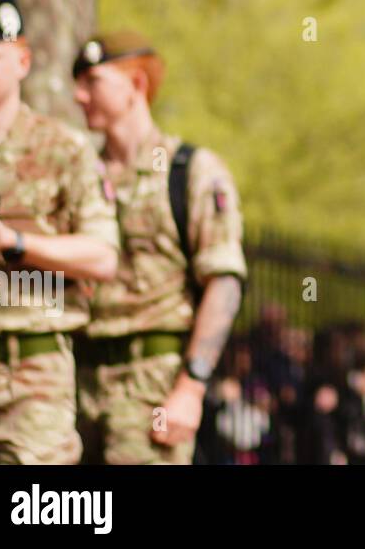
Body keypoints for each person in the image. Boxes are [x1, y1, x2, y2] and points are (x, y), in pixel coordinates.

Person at [0, 0, 120, 464]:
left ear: (22, 63)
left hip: (31, 381)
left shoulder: (63, 150)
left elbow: (102, 257)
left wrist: (12, 242)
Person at [71, 31, 247, 464]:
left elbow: (223, 281)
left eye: (93, 81)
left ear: (136, 85)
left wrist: (191, 387)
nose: (79, 94)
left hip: (151, 384)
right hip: (74, 384)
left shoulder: (190, 170)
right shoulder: (78, 175)